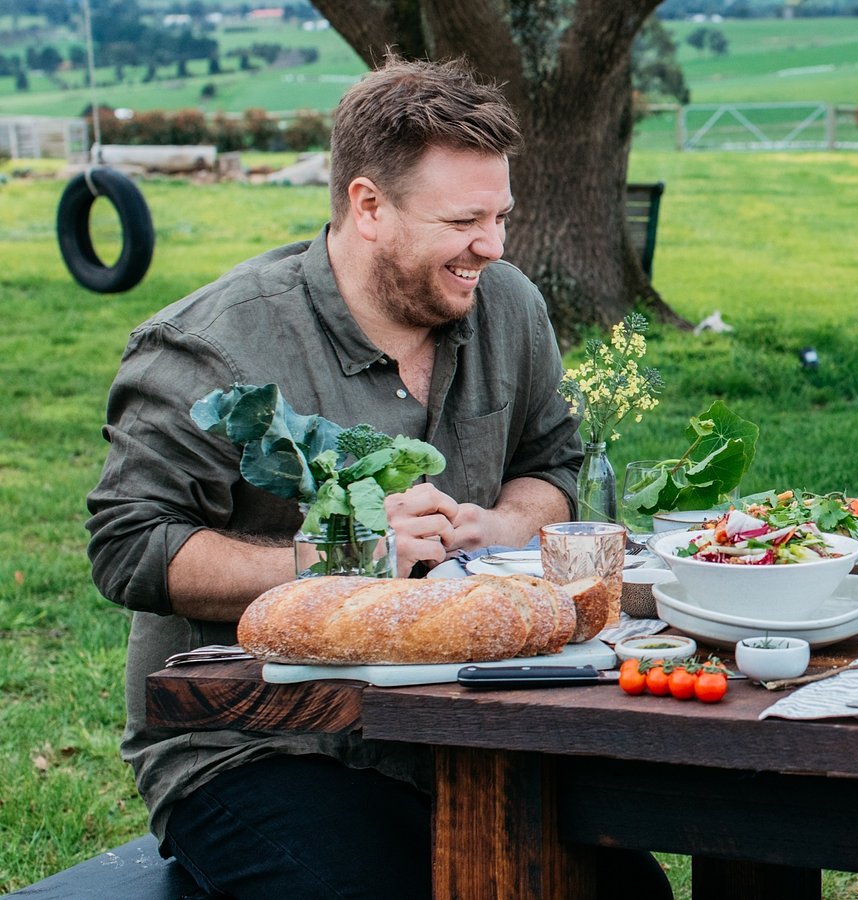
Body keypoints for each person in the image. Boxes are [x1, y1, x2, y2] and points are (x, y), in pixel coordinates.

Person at [84, 58, 665, 899]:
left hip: (473, 725)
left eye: (500, 216)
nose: (494, 246)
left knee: (630, 893)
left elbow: (551, 466)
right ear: (368, 207)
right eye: (464, 220)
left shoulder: (508, 306)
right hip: (260, 745)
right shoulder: (212, 345)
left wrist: (501, 525)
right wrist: (342, 557)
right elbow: (128, 547)